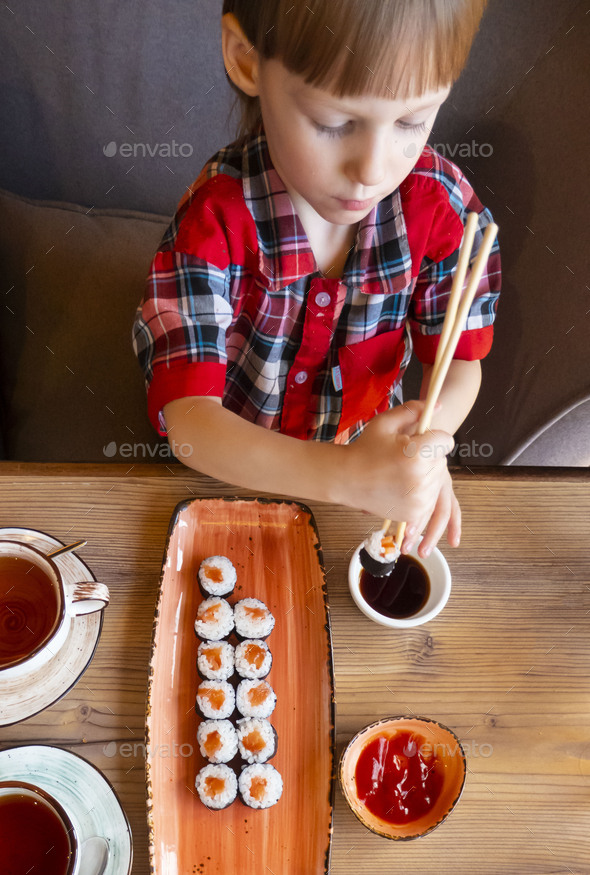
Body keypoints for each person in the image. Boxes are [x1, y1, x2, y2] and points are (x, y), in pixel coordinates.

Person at [133, 0, 501, 558]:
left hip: (365, 472)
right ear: (247, 61)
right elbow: (189, 422)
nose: (373, 169)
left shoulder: (444, 211)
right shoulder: (217, 219)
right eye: (334, 123)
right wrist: (348, 476)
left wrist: (421, 452)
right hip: (233, 464)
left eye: (412, 121)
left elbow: (460, 363)